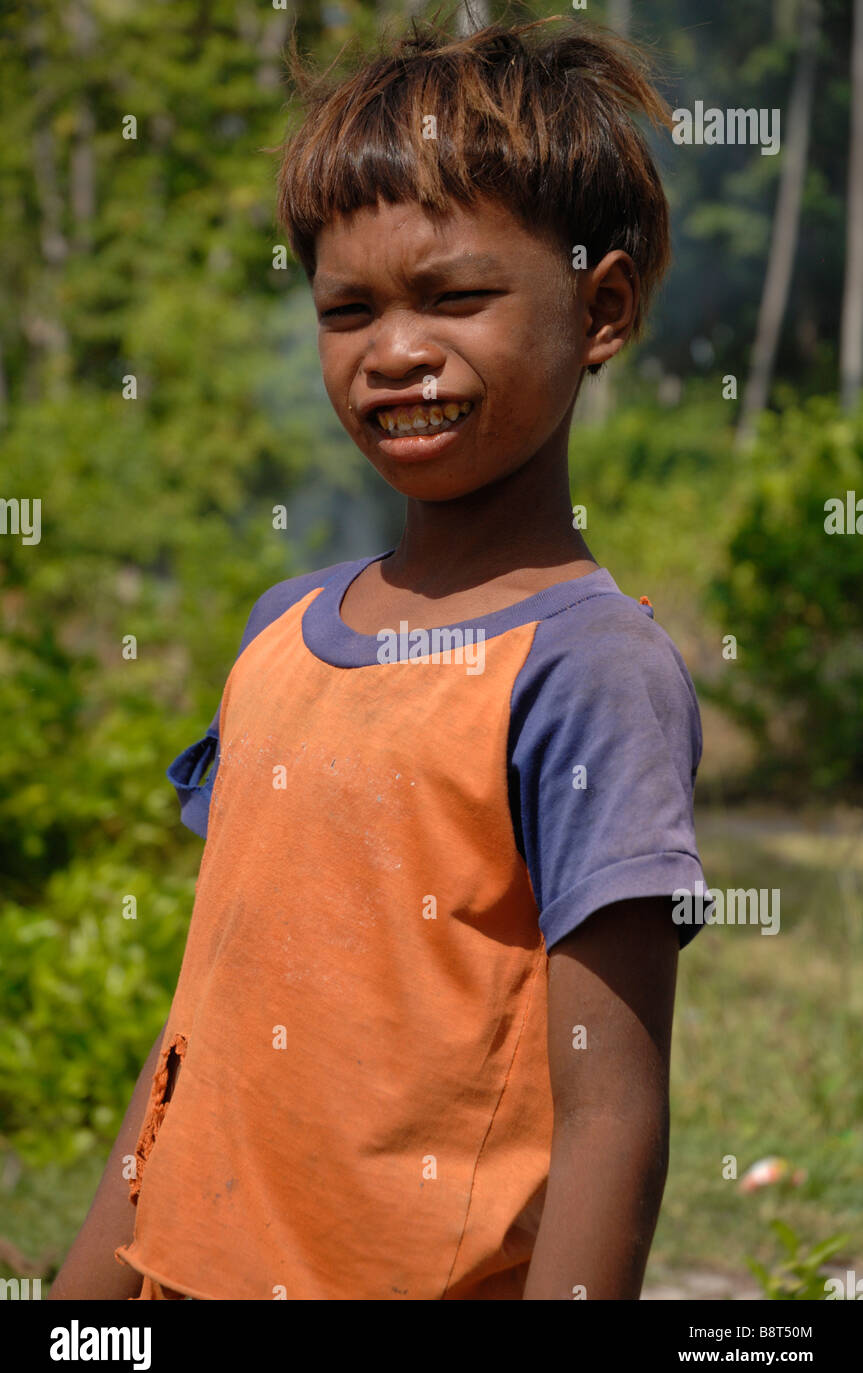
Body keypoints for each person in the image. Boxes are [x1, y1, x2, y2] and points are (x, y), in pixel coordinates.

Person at [50, 13, 711, 1302]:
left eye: (457, 295)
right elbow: (204, 1026)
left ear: (603, 307)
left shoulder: (588, 672)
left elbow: (612, 1122)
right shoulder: (278, 633)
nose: (395, 351)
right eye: (348, 309)